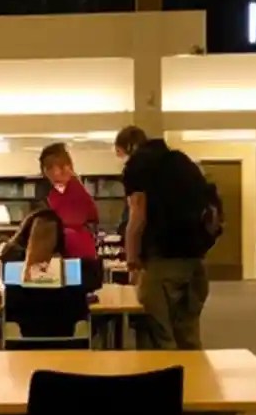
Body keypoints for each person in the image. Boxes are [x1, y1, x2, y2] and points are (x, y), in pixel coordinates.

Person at [116, 125, 216, 350]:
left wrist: (131, 260)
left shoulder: (138, 167)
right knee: (188, 335)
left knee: (159, 338)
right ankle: (193, 384)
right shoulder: (182, 162)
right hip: (196, 261)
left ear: (128, 148)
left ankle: (169, 384)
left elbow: (138, 215)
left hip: (162, 262)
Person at [36, 143, 100, 263]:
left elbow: (74, 219)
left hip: (77, 250)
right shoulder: (57, 191)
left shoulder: (74, 190)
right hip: (70, 250)